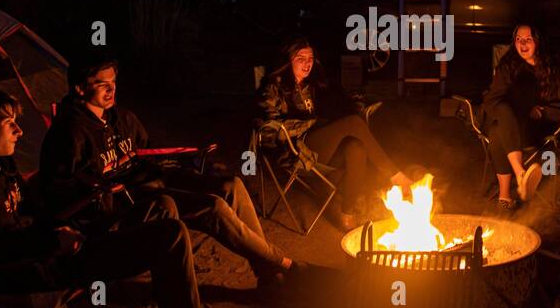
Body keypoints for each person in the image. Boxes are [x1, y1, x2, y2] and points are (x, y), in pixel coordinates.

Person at [0, 86, 216, 308]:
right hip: (29, 267)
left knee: (162, 204)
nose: (19, 131)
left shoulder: (2, 163)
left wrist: (70, 218)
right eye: (9, 123)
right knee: (170, 233)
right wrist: (53, 239)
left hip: (52, 244)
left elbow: (34, 212)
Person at [39, 58, 298, 291]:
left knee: (231, 184)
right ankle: (284, 263)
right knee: (213, 206)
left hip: (151, 178)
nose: (111, 89)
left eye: (113, 81)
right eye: (101, 84)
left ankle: (267, 273)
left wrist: (182, 161)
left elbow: (148, 151)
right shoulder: (69, 133)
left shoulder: (121, 117)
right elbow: (60, 190)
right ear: (81, 88)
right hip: (127, 202)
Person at [257, 38, 412, 230]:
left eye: (310, 58)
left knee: (356, 148)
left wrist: (356, 106)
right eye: (300, 58)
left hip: (316, 147)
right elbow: (270, 127)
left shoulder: (310, 85)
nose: (308, 63)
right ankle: (396, 177)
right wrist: (307, 124)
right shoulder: (273, 87)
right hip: (294, 150)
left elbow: (336, 108)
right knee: (354, 124)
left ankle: (347, 213)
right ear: (288, 60)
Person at [483, 24, 560, 209]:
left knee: (497, 130)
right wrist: (524, 109)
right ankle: (521, 174)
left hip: (538, 126)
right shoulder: (508, 67)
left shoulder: (554, 69)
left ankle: (505, 196)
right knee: (502, 113)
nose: (522, 43)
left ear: (538, 42)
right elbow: (492, 100)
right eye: (518, 39)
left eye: (528, 39)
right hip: (508, 119)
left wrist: (541, 112)